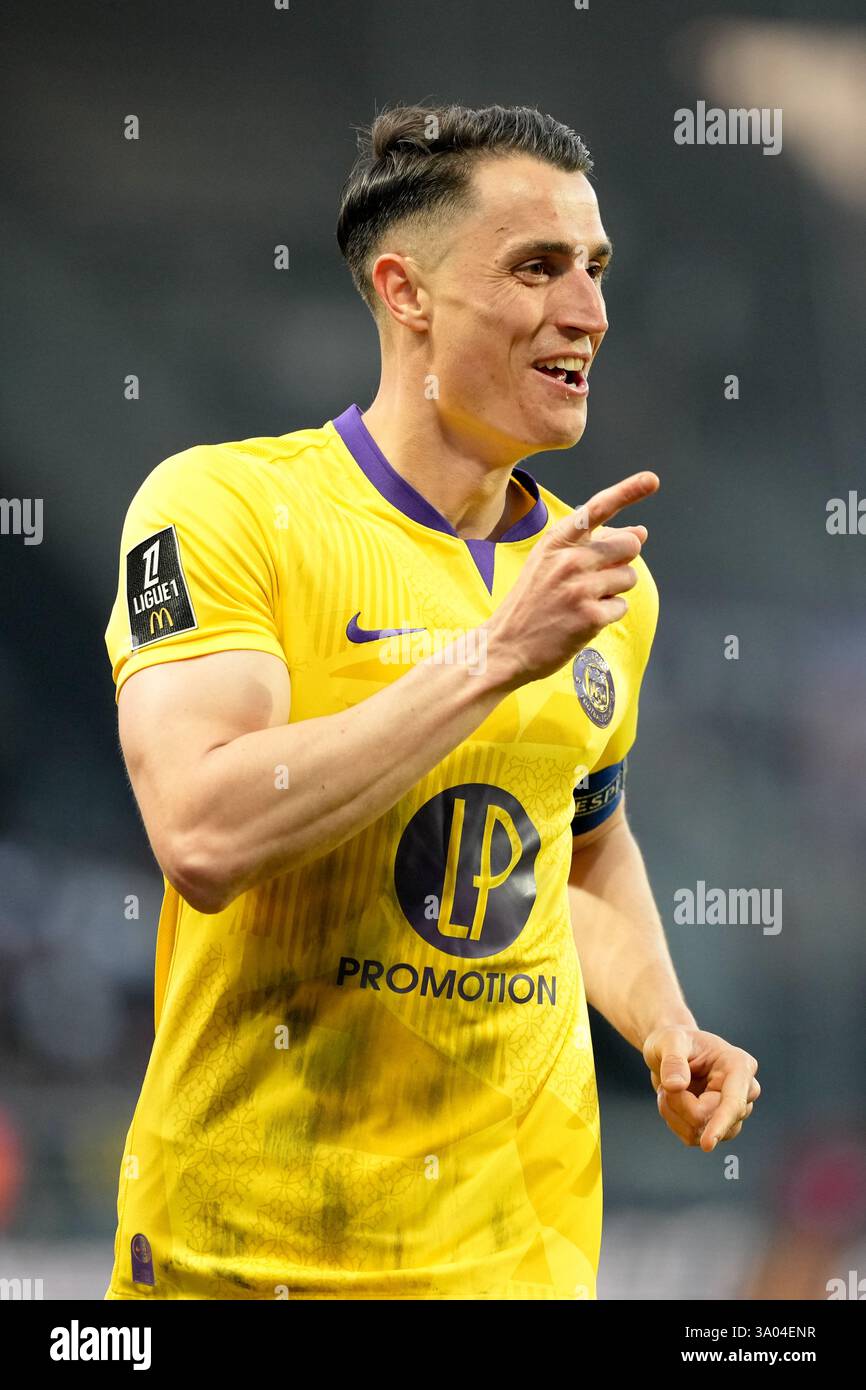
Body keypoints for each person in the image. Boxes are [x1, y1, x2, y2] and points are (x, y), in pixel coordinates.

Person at [103, 102, 760, 1301]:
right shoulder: (225, 510)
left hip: (514, 1261)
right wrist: (490, 656)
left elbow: (576, 847)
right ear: (406, 293)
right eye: (536, 268)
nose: (589, 314)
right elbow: (200, 832)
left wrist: (664, 1023)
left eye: (596, 269)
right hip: (242, 1259)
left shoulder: (603, 580)